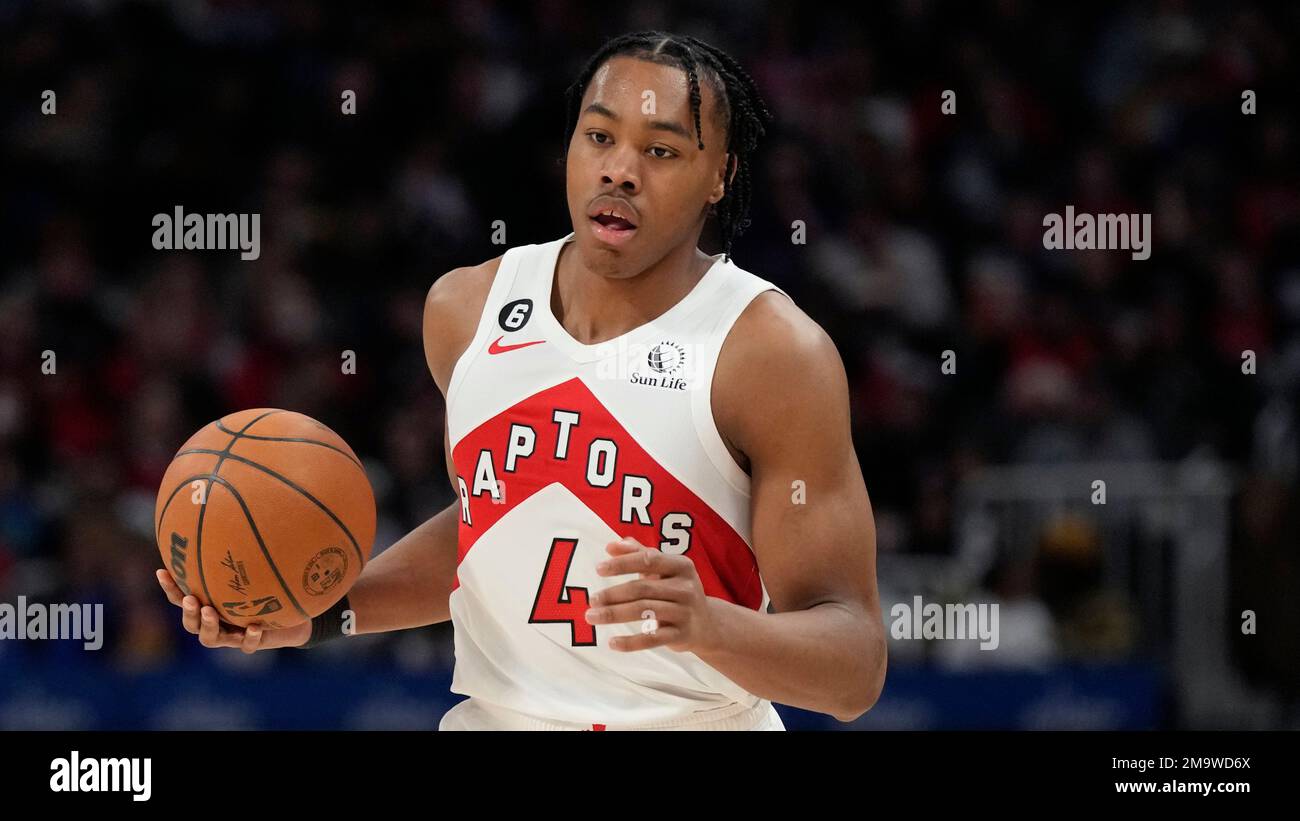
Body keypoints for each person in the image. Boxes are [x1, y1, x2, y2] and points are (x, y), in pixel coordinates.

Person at [155, 30, 887, 731]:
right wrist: (317, 615)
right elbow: (492, 522)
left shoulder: (771, 354)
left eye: (661, 150)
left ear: (719, 174)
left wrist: (714, 625)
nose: (620, 171)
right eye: (599, 137)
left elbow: (854, 670)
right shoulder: (466, 310)